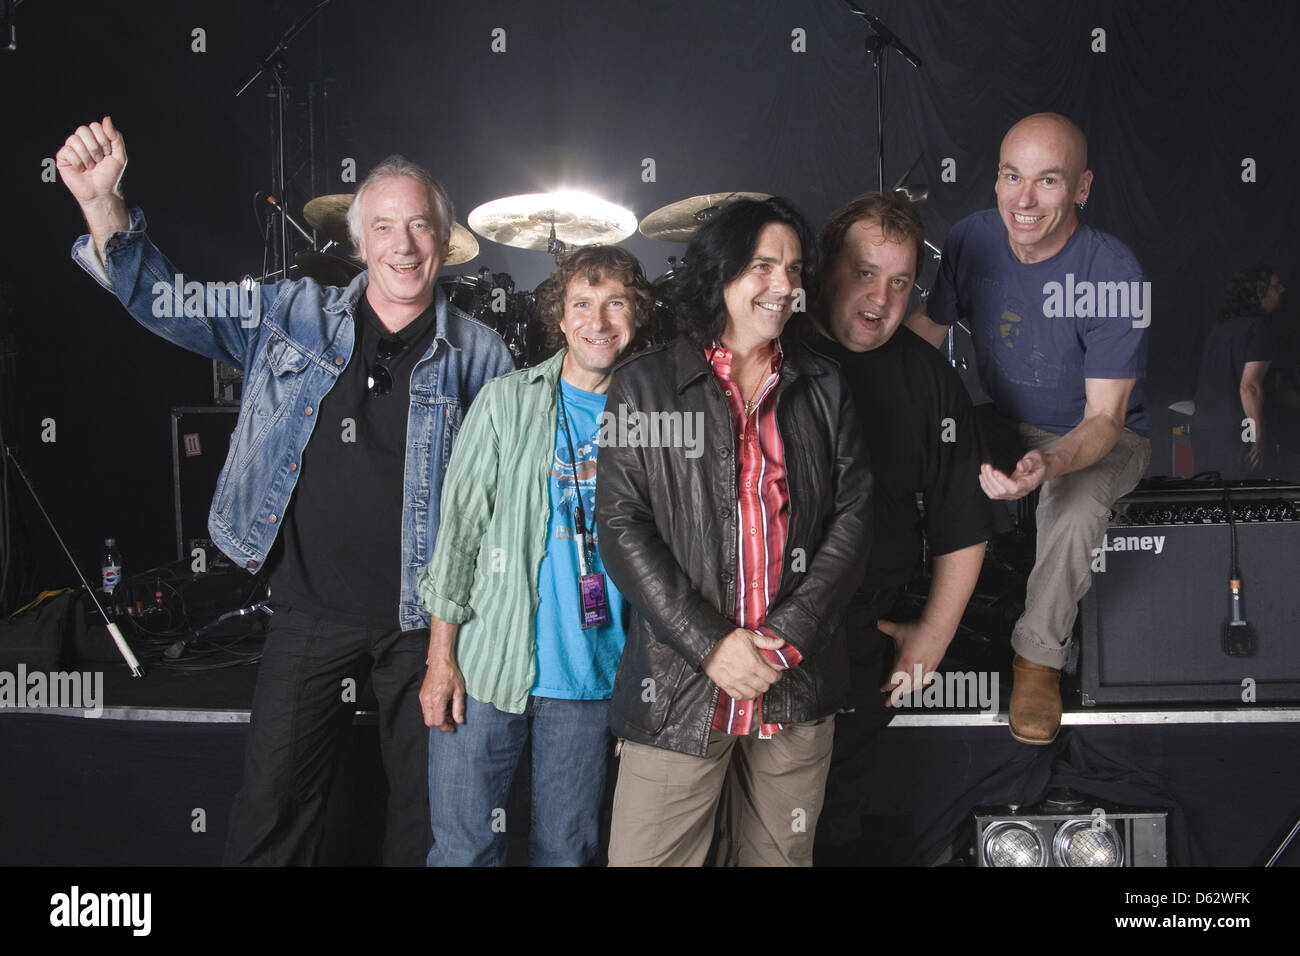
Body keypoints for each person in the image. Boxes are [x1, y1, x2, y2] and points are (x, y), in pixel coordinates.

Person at [57, 117, 514, 865]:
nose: (403, 244)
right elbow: (169, 301)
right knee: (272, 813)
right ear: (360, 242)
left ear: (445, 240)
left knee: (428, 820)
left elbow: (501, 498)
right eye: (384, 227)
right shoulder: (291, 312)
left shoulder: (481, 351)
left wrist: (465, 636)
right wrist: (103, 205)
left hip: (426, 626)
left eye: (420, 226)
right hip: (307, 611)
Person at [595, 197, 872, 866]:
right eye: (762, 266)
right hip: (680, 688)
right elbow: (620, 526)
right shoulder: (643, 387)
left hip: (795, 686)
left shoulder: (825, 386)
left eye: (795, 269)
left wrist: (785, 641)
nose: (785, 286)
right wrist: (712, 645)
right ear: (720, 273)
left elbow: (854, 520)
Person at [909, 113, 1151, 745]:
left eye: (1048, 182)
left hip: (1098, 435)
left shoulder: (1114, 272)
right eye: (1012, 177)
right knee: (914, 451)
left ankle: (1037, 659)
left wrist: (1049, 465)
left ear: (1082, 187)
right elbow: (923, 340)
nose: (1024, 199)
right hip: (1002, 422)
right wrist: (842, 367)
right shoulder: (968, 240)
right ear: (994, 179)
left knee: (1071, 505)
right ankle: (911, 626)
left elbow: (1105, 418)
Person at [417, 245, 653, 866]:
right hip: (487, 669)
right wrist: (441, 662)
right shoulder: (505, 401)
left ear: (636, 314)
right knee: (463, 851)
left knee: (567, 853)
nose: (598, 322)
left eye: (615, 304)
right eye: (582, 304)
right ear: (559, 315)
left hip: (592, 677)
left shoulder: (653, 415)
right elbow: (458, 538)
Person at [801, 192, 1001, 857]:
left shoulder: (929, 378)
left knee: (835, 820)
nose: (881, 298)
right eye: (864, 273)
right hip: (760, 631)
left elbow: (962, 522)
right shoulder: (773, 348)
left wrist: (934, 635)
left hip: (860, 636)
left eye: (900, 282)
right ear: (825, 268)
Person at [1192, 266, 1285, 478]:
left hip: (1205, 429)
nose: (1282, 290)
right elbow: (1249, 386)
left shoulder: (1220, 329)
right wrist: (1257, 436)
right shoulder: (1259, 329)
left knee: (1211, 498)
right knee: (1246, 500)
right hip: (1238, 432)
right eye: (1275, 286)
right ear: (1259, 291)